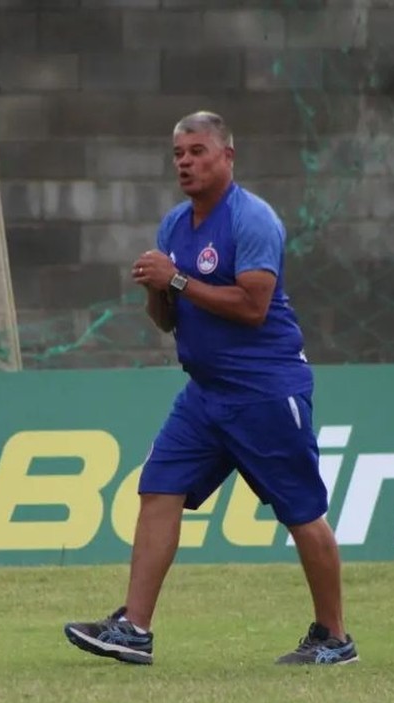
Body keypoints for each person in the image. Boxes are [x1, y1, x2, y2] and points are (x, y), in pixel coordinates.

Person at [63, 111, 356, 667]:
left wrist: (175, 278)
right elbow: (167, 321)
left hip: (265, 390)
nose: (185, 163)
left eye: (197, 151)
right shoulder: (175, 225)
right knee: (159, 487)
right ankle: (134, 628)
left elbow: (253, 306)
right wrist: (156, 289)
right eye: (178, 154)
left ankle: (335, 638)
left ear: (227, 155)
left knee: (301, 513)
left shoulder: (253, 219)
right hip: (205, 394)